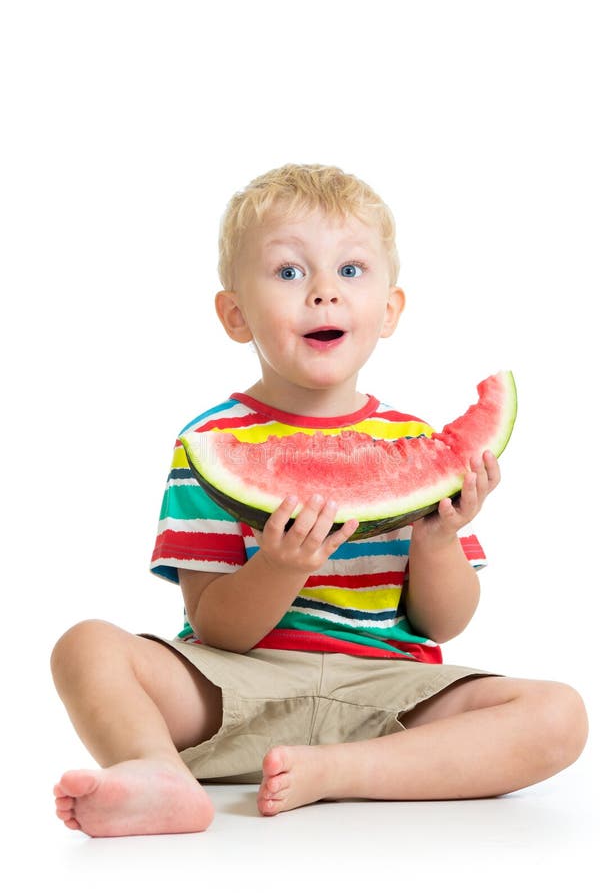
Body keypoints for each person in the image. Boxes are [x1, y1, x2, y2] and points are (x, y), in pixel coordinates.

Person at [51, 164, 588, 838]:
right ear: (235, 314)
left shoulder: (418, 445)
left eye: (352, 271)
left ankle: (343, 772)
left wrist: (438, 541)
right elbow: (215, 629)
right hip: (240, 689)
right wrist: (280, 567)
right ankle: (157, 770)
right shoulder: (209, 445)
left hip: (386, 698)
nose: (325, 294)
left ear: (389, 310)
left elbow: (444, 624)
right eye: (288, 273)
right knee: (86, 647)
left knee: (560, 715)